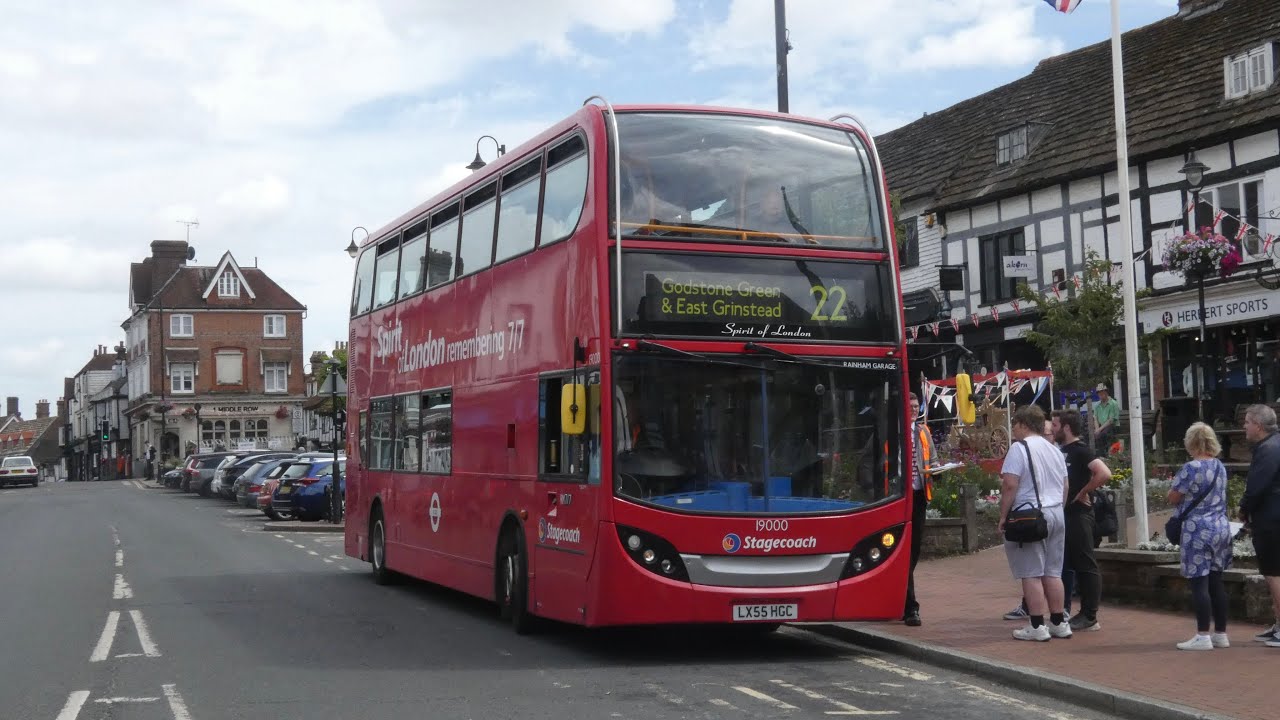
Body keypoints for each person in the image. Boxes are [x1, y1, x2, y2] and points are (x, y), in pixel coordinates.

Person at [998, 405, 1070, 641]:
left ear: (1023, 424)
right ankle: (1059, 623)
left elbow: (1010, 484)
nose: (1013, 430)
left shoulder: (1019, 449)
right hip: (1056, 512)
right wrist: (1058, 508)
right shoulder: (1054, 450)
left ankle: (1037, 626)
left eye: (1014, 425)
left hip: (1031, 515)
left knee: (1031, 572)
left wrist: (1003, 517)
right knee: (1053, 571)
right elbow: (1065, 486)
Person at [1166, 422, 1231, 650]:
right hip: (1220, 528)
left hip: (1197, 530)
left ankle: (1203, 635)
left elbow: (1174, 497)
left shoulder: (1191, 467)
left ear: (1190, 442)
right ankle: (1221, 634)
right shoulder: (1220, 467)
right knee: (1216, 582)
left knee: (1199, 584)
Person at [1056, 409, 1111, 632]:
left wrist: (1084, 491)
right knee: (1072, 563)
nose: (1053, 428)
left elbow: (1104, 473)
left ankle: (1090, 615)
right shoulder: (1063, 451)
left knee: (1086, 564)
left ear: (1067, 428)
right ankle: (1072, 610)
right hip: (1067, 514)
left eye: (1056, 424)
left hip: (1079, 513)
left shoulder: (1080, 451)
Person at [1237, 404, 1280, 646]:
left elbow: (1257, 486)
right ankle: (1277, 625)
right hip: (1274, 515)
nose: (1244, 426)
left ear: (1259, 426)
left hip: (1271, 518)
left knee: (1273, 572)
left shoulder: (1267, 449)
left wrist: (1244, 509)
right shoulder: (1274, 444)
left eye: (1247, 421)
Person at [902, 392, 934, 627]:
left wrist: (936, 469)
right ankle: (910, 607)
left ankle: (903, 600)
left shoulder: (923, 432)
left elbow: (931, 459)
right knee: (903, 554)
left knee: (913, 553)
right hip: (898, 498)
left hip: (919, 496)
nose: (914, 409)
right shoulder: (893, 430)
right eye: (910, 405)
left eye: (916, 405)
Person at [1092, 384, 1120, 455]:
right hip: (1102, 427)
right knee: (1094, 435)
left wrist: (1099, 430)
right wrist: (1097, 429)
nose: (1101, 395)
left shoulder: (1113, 403)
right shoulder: (1096, 405)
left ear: (1106, 393)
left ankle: (1106, 454)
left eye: (1102, 392)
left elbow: (1111, 420)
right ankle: (1100, 455)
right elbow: (1095, 418)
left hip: (1113, 426)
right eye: (1099, 393)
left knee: (1104, 434)